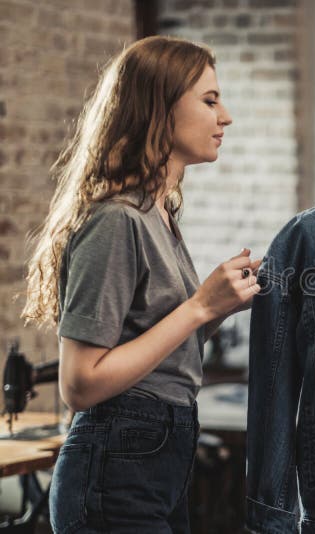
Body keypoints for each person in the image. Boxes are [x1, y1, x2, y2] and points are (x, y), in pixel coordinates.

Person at [22, 35, 260, 533]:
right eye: (210, 101)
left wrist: (218, 307)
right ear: (159, 109)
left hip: (157, 459)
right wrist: (198, 307)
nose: (226, 117)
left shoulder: (157, 216)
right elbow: (80, 384)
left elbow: (158, 354)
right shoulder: (117, 220)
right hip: (116, 467)